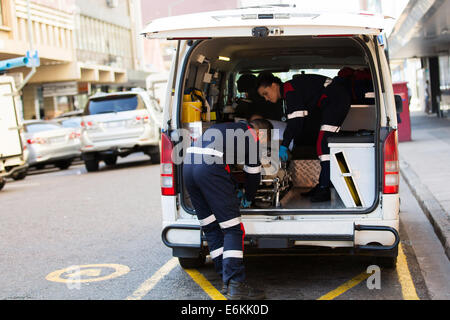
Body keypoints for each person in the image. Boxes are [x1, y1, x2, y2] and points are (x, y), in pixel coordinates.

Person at [183, 118, 273, 299]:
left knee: (211, 226)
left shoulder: (223, 128)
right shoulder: (250, 135)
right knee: (233, 228)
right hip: (209, 168)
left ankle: (225, 278)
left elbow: (225, 167)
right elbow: (253, 175)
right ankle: (236, 284)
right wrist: (248, 197)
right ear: (261, 135)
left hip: (188, 166)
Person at [256, 71, 352, 202]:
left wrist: (284, 145)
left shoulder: (290, 90)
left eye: (265, 93)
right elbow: (298, 122)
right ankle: (321, 185)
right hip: (331, 100)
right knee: (320, 143)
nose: (266, 98)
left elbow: (295, 123)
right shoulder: (289, 91)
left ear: (274, 85)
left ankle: (324, 188)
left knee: (323, 145)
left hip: (336, 99)